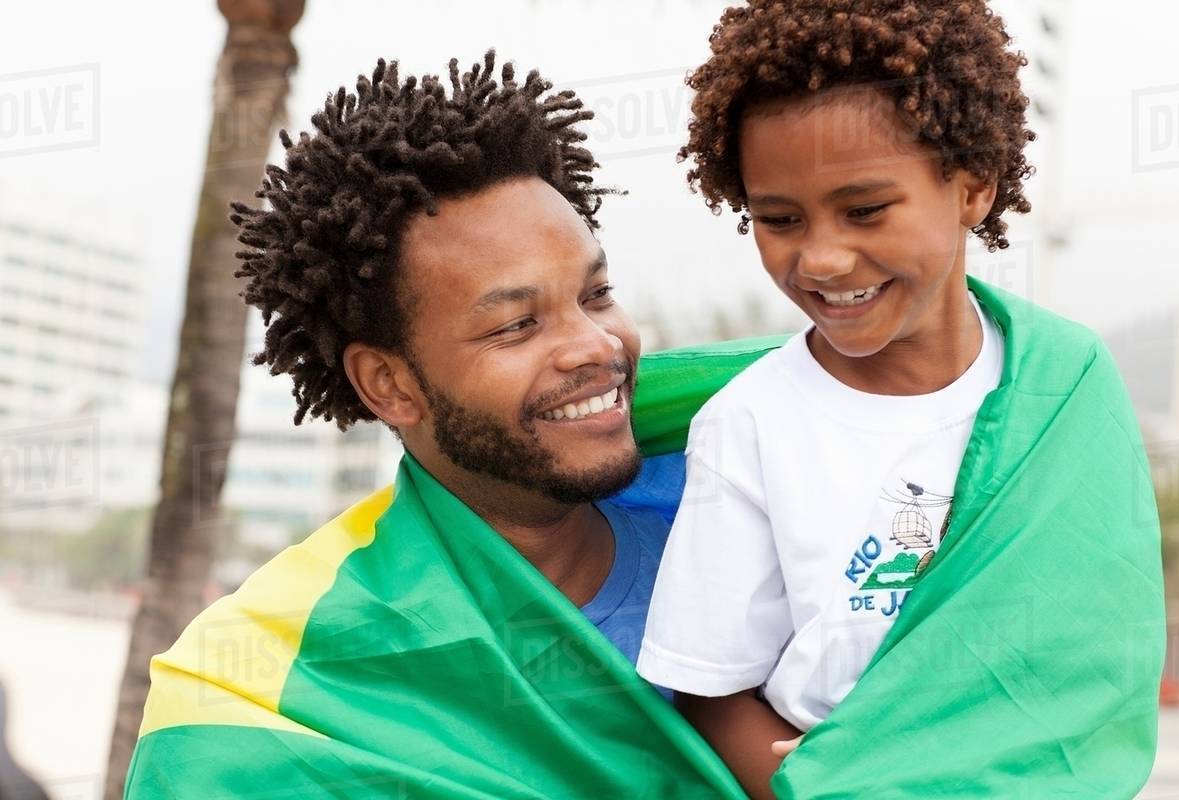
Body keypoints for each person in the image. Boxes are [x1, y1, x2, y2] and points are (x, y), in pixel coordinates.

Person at [123, 52, 751, 798]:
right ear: (389, 384)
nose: (596, 345)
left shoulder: (770, 497)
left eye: (598, 292)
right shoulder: (271, 699)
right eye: (517, 325)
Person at [636, 2, 1165, 799]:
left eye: (865, 210)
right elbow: (710, 687)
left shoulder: (1066, 384)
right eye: (778, 219)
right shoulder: (749, 424)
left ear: (972, 187)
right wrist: (824, 786)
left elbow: (1098, 655)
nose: (820, 256)